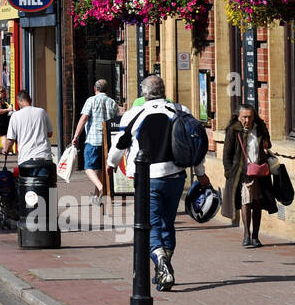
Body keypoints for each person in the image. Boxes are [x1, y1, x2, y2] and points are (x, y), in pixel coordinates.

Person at [115, 74, 212, 291]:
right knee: (168, 223)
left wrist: (111, 164)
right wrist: (200, 173)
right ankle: (164, 268)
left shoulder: (135, 114)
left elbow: (118, 146)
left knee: (150, 224)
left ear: (144, 93)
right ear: (164, 90)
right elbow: (193, 143)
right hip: (176, 176)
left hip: (148, 178)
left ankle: (162, 265)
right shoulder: (181, 110)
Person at [221, 103, 277, 247]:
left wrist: (266, 143)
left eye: (250, 117)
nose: (247, 120)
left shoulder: (259, 127)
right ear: (239, 117)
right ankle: (246, 234)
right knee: (246, 201)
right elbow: (227, 154)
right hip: (243, 172)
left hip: (260, 171)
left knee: (257, 203)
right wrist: (229, 173)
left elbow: (268, 143)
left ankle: (256, 236)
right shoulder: (234, 130)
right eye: (244, 117)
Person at [71, 79, 120, 198]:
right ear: (107, 89)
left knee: (88, 168)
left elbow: (84, 118)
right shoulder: (112, 102)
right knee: (101, 170)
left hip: (93, 140)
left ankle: (101, 187)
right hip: (107, 142)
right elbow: (117, 121)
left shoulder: (91, 100)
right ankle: (97, 197)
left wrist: (76, 136)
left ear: (95, 89)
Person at [2, 90, 52, 167]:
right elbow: (50, 133)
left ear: (19, 101)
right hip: (44, 157)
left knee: (24, 178)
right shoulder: (41, 112)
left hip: (25, 159)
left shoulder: (15, 116)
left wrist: (6, 149)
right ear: (30, 100)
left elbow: (11, 139)